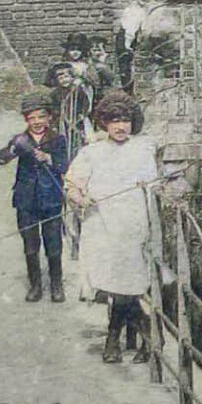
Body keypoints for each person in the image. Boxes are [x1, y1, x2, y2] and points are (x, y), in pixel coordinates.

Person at [64, 90, 161, 365]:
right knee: (112, 283)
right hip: (102, 227)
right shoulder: (91, 153)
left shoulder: (142, 150)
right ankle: (149, 336)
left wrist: (153, 186)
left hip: (132, 228)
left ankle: (116, 339)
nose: (120, 127)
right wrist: (81, 198)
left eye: (126, 120)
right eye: (114, 121)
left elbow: (155, 184)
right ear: (104, 123)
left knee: (126, 284)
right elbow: (72, 186)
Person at [0, 91, 71, 302]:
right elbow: (0, 158)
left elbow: (65, 166)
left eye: (41, 117)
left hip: (51, 199)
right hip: (26, 200)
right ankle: (35, 285)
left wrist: (49, 158)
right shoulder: (20, 139)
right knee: (30, 245)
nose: (37, 122)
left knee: (53, 245)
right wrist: (12, 149)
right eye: (31, 118)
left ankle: (56, 285)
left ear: (49, 117)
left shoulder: (58, 139)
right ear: (26, 120)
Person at [114, 0, 155, 92]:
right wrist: (127, 47)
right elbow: (130, 30)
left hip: (136, 38)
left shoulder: (147, 9)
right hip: (126, 39)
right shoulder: (131, 11)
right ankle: (128, 92)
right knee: (126, 67)